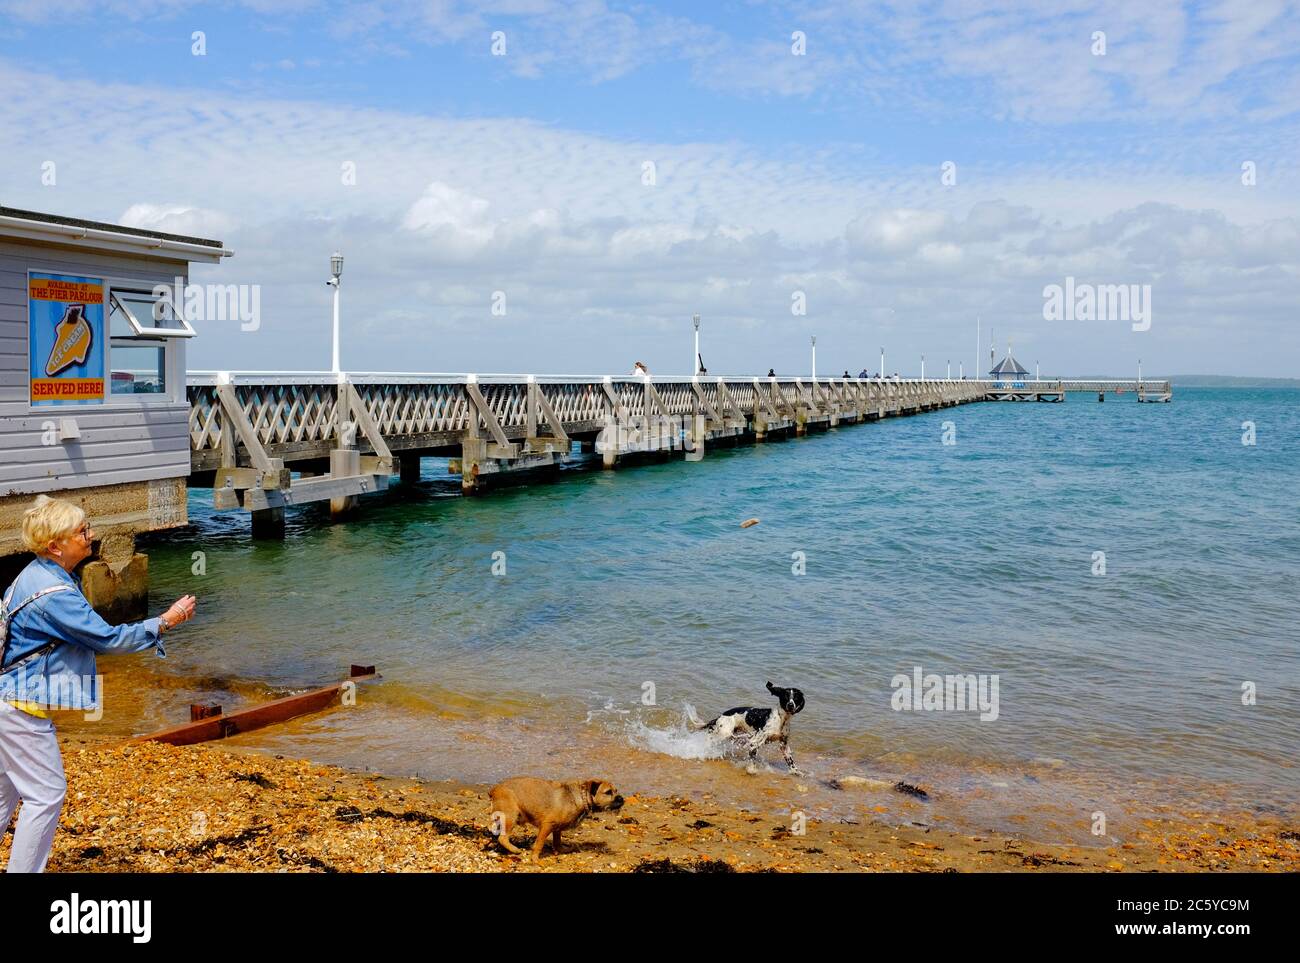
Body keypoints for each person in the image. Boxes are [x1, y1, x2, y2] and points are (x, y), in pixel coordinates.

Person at [0, 495, 195, 873]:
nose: (91, 535)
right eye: (82, 531)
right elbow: (109, 639)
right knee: (46, 795)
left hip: (5, 699)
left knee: (5, 793)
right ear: (55, 545)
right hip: (19, 706)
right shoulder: (53, 595)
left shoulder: (39, 573)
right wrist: (167, 620)